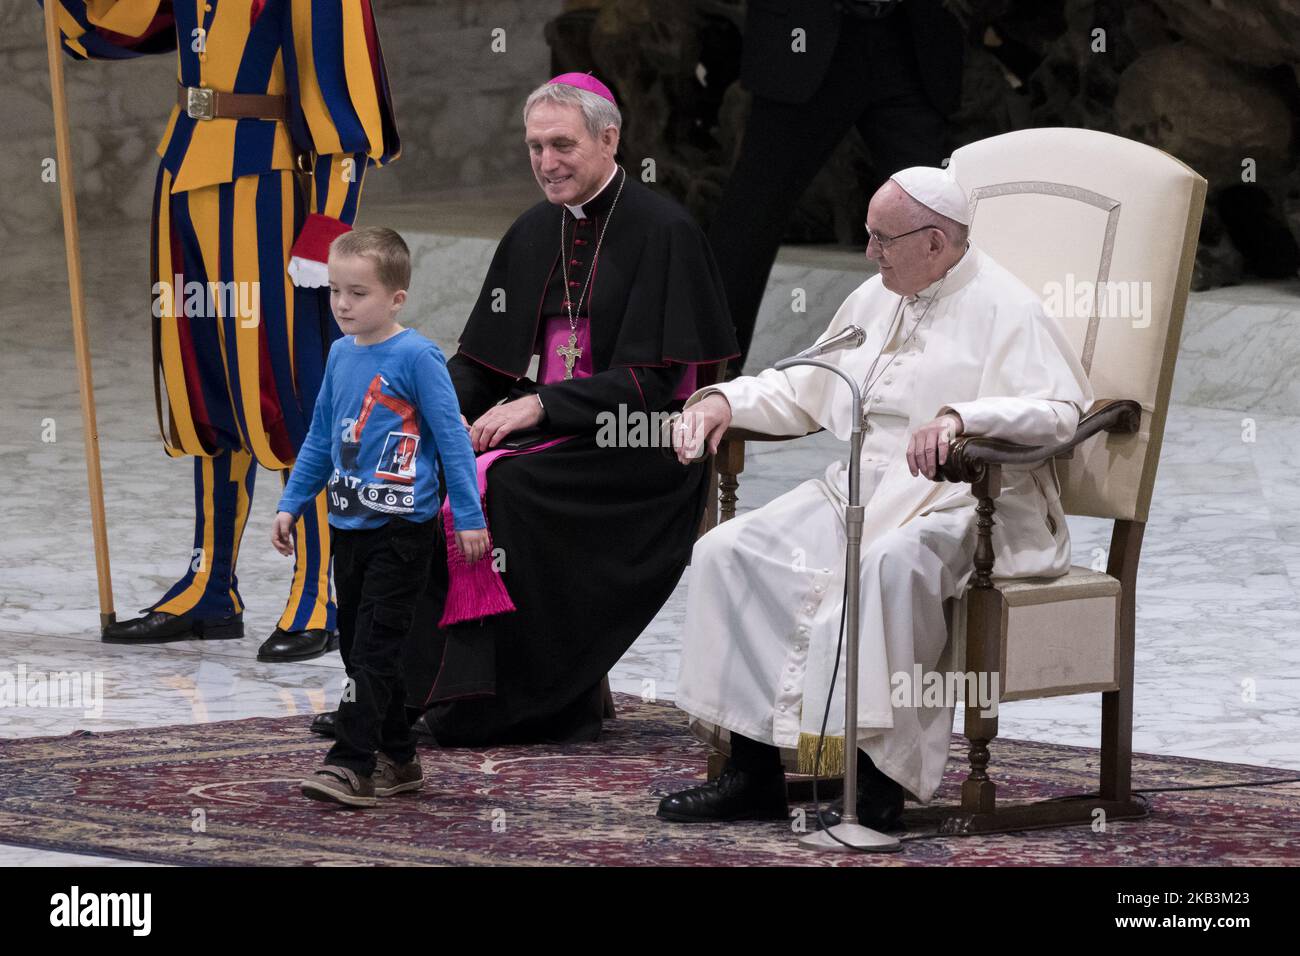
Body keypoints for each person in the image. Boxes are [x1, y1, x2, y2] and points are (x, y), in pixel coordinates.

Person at [306, 73, 738, 746]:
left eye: (561, 144)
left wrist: (541, 405)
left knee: (503, 486)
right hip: (551, 429)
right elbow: (482, 363)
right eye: (534, 147)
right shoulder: (535, 230)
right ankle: (390, 689)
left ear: (609, 138)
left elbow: (653, 387)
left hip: (638, 445)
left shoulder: (664, 230)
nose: (546, 162)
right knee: (405, 478)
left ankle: (502, 698)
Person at [658, 166, 1093, 829]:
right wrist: (724, 398)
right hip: (862, 491)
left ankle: (878, 786)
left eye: (882, 239)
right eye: (869, 236)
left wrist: (961, 420)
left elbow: (1061, 412)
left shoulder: (1010, 309)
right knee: (730, 550)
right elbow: (807, 380)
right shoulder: (876, 296)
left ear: (937, 243)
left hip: (969, 506)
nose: (870, 253)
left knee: (885, 569)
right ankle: (752, 773)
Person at [43, 0, 400, 662]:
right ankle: (211, 584)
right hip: (184, 172)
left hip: (269, 186)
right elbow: (108, 29)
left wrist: (327, 231)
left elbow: (346, 116)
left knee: (291, 386)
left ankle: (318, 589)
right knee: (205, 388)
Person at [273, 227, 486, 808]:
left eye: (358, 293)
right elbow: (321, 434)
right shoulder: (341, 354)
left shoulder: (417, 356)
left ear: (396, 297)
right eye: (336, 291)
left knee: (376, 648)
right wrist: (292, 501)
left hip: (402, 531)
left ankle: (352, 762)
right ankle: (400, 755)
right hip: (349, 528)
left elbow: (451, 439)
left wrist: (468, 516)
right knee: (358, 650)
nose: (342, 304)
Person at [709, 0, 962, 370]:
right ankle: (706, 381)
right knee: (752, 216)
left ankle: (939, 372)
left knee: (935, 213)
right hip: (806, 35)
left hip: (908, 35)